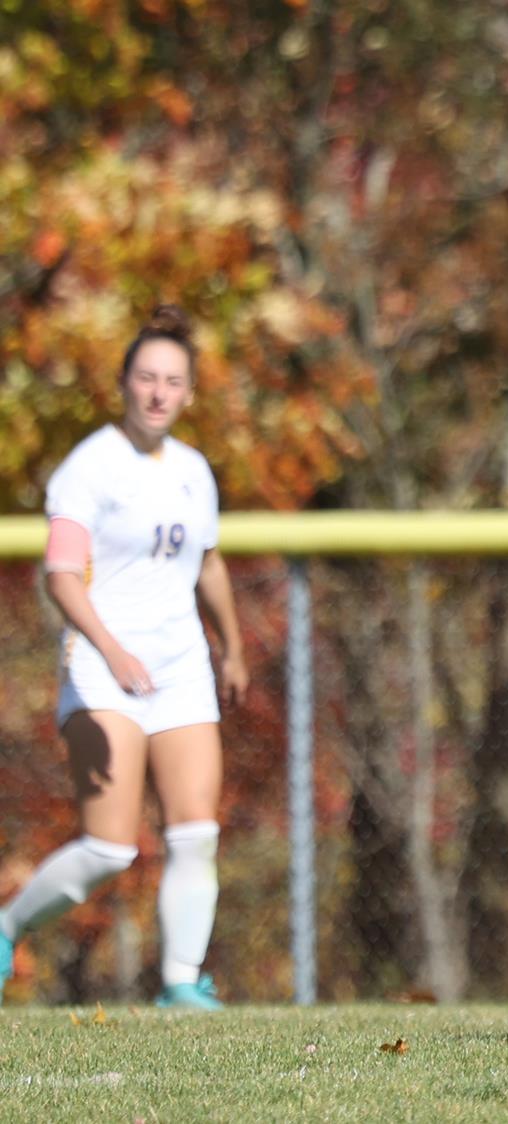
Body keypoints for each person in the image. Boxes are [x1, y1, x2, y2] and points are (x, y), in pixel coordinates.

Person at [0, 305, 247, 1011]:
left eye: (173, 381)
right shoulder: (88, 469)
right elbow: (60, 576)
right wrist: (111, 649)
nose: (159, 393)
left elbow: (208, 563)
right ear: (124, 384)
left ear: (190, 392)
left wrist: (230, 646)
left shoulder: (195, 471)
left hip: (180, 669)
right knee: (111, 850)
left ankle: (180, 984)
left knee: (195, 831)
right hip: (102, 666)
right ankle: (7, 929)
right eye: (146, 378)